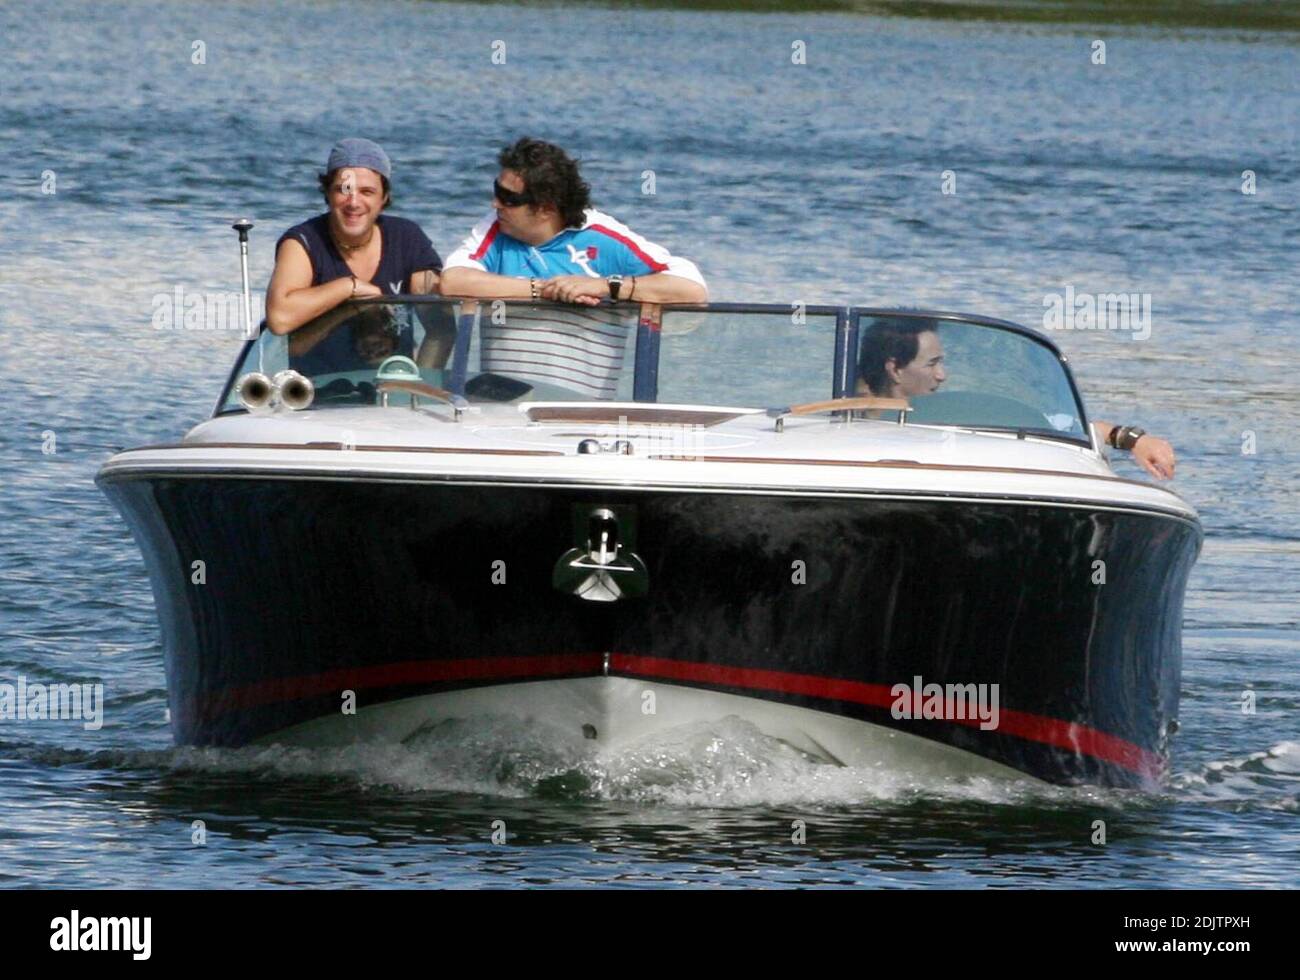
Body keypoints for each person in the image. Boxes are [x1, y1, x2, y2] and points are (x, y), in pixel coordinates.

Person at [439, 138, 707, 398]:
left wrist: (606, 286)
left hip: (582, 414)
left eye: (508, 198)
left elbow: (691, 290)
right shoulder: (495, 228)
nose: (495, 203)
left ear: (545, 209)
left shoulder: (602, 235)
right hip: (500, 408)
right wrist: (545, 290)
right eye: (496, 190)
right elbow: (453, 281)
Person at [856, 317, 1177, 480]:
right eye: (933, 363)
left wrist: (1132, 439)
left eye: (942, 362)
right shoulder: (838, 425)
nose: (943, 375)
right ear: (895, 369)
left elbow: (1068, 429)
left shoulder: (962, 418)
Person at [264, 138, 453, 373]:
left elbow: (441, 330)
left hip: (395, 389)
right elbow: (280, 318)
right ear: (328, 194)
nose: (354, 202)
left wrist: (418, 389)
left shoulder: (407, 239)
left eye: (367, 192)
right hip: (317, 396)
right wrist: (349, 287)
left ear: (383, 197)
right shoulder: (303, 242)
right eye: (344, 190)